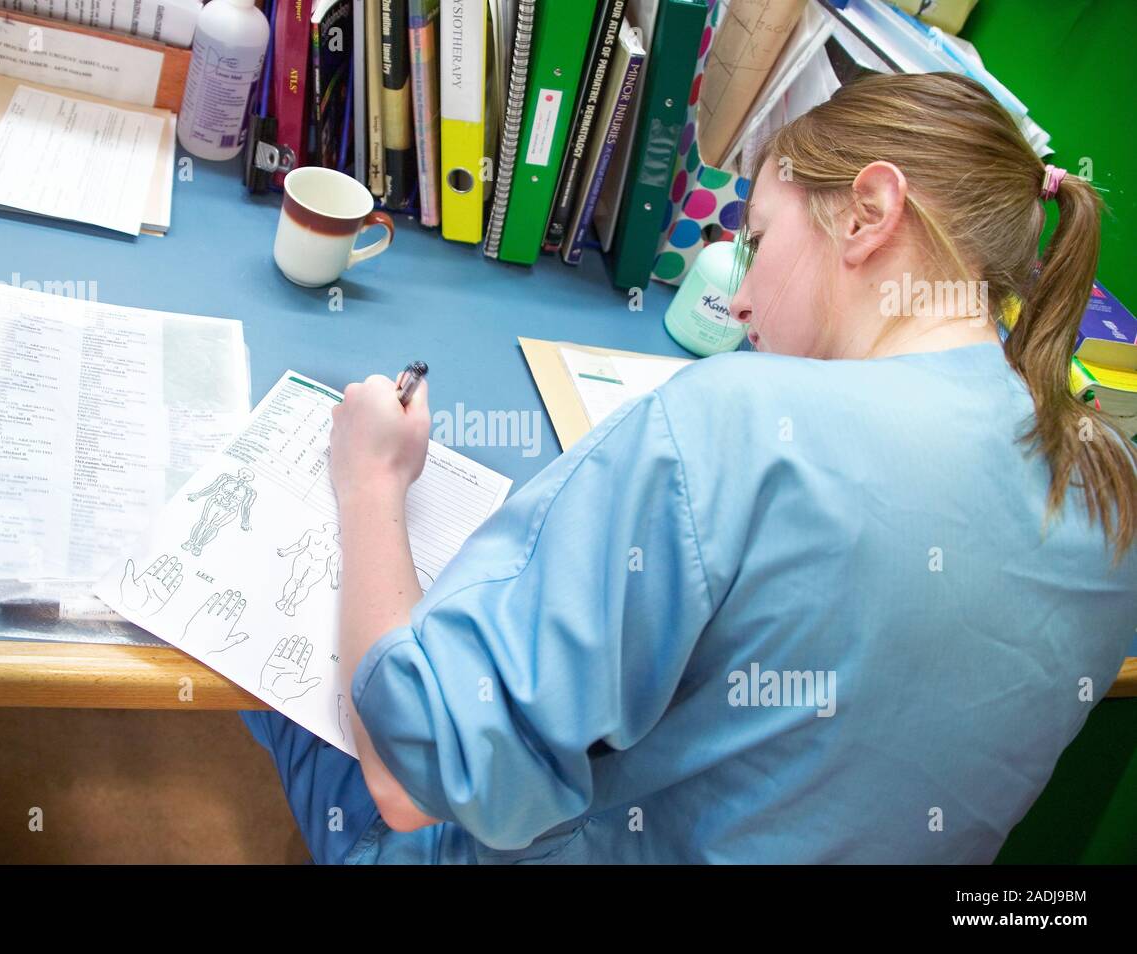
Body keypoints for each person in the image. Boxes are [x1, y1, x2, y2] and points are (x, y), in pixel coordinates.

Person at [241, 72, 1137, 864]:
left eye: (758, 236)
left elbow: (413, 775)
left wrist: (370, 488)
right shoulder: (1108, 483)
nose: (741, 295)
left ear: (869, 212)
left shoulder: (737, 420)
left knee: (270, 625)